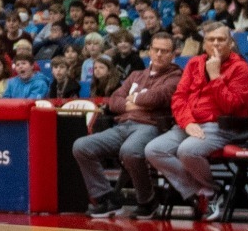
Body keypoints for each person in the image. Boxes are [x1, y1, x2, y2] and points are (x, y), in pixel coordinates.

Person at [145, 22, 248, 221]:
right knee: (153, 149)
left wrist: (215, 76)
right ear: (204, 43)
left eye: (221, 39)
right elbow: (179, 97)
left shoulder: (241, 68)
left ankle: (204, 193)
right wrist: (187, 122)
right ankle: (208, 191)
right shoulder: (194, 63)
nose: (215, 43)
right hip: (189, 124)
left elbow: (231, 106)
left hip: (221, 125)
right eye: (210, 39)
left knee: (187, 150)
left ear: (230, 43)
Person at [74, 31, 179, 217]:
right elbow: (114, 100)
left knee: (130, 151)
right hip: (123, 125)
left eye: (165, 51)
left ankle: (148, 201)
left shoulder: (175, 76)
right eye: (156, 50)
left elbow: (156, 98)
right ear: (150, 51)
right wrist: (132, 104)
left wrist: (133, 100)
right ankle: (107, 198)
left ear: (173, 54)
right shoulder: (136, 75)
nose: (160, 54)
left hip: (151, 126)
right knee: (82, 146)